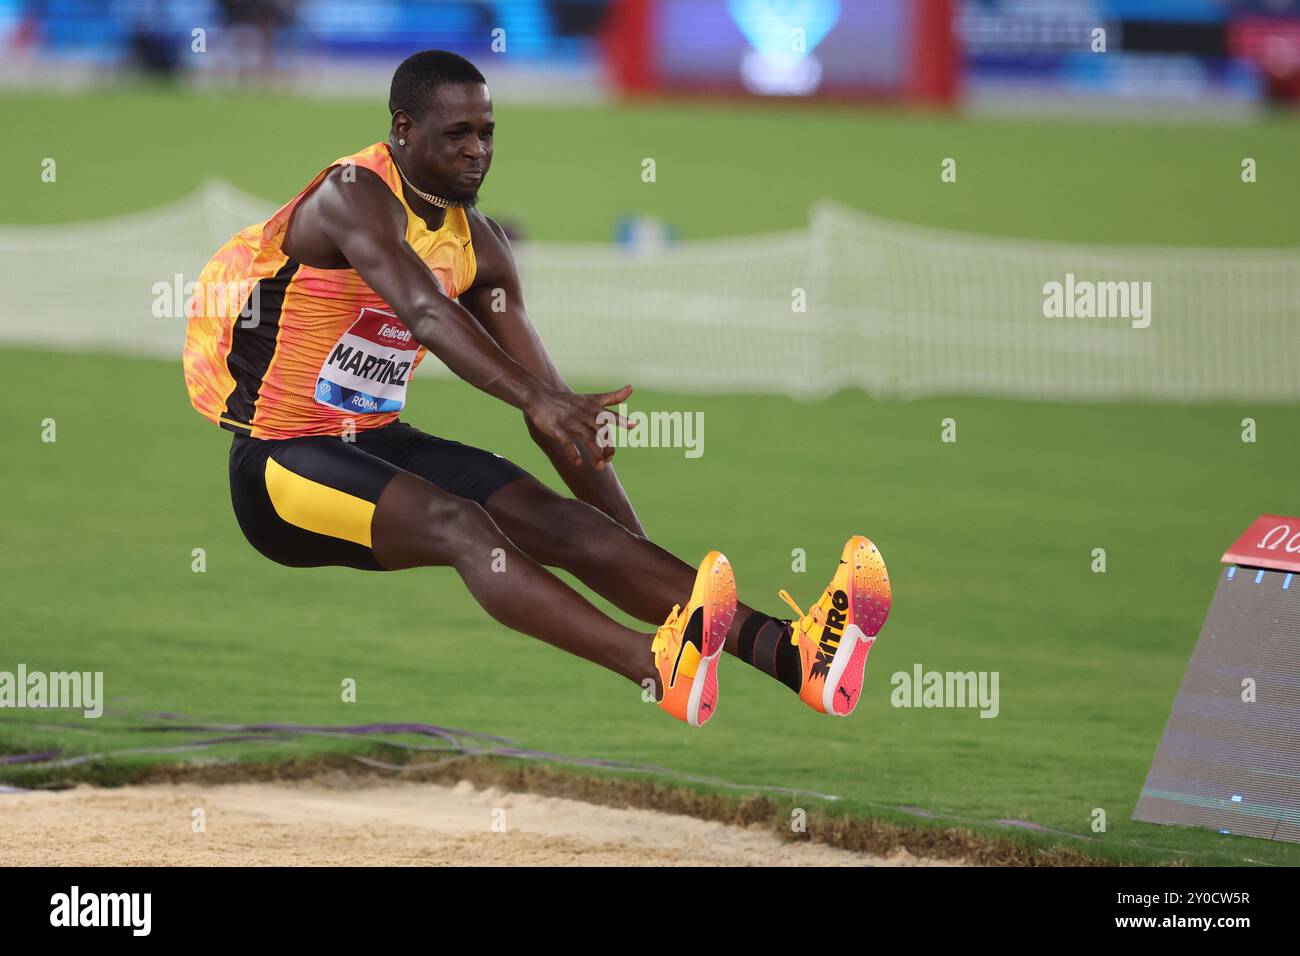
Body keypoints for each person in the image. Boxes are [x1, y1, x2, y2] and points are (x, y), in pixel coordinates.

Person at [182, 50, 890, 727]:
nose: (477, 150)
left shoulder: (482, 246)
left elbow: (558, 417)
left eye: (487, 133)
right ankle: (652, 667)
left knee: (567, 526)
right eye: (456, 133)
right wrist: (535, 399)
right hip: (278, 464)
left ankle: (799, 658)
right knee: (464, 527)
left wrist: (628, 552)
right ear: (403, 130)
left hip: (377, 443)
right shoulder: (351, 196)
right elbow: (425, 312)